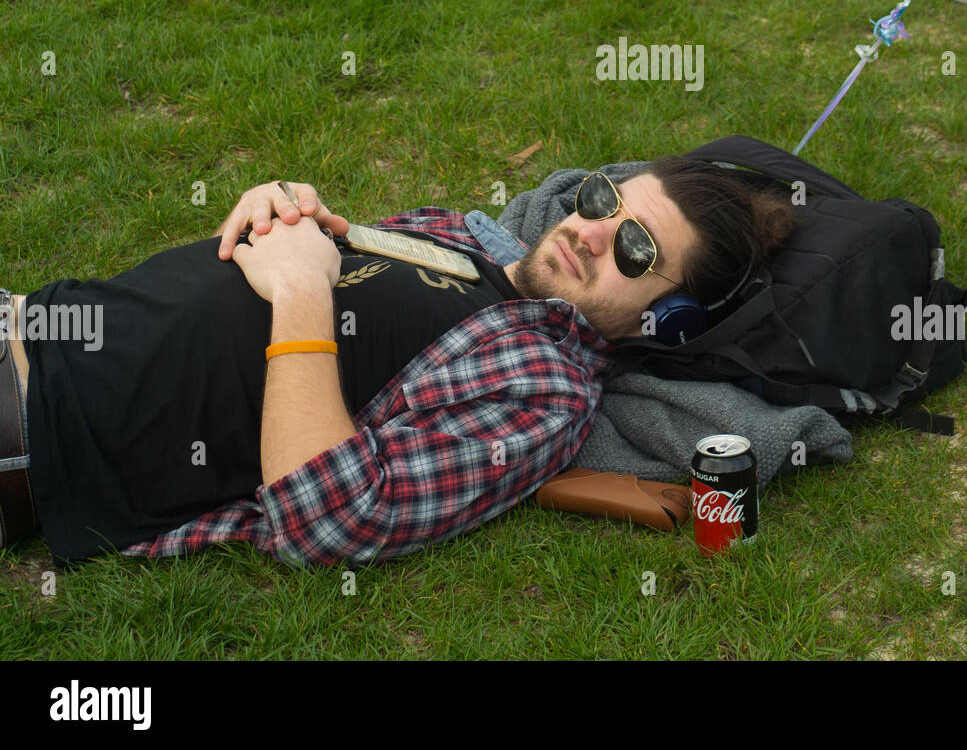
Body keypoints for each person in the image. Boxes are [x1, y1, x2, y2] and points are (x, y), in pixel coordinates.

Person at [0, 155, 795, 568]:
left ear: (667, 318)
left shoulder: (546, 389)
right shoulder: (455, 232)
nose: (589, 231)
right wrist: (275, 212)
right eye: (601, 200)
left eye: (634, 249)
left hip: (38, 427)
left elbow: (332, 520)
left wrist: (302, 290)